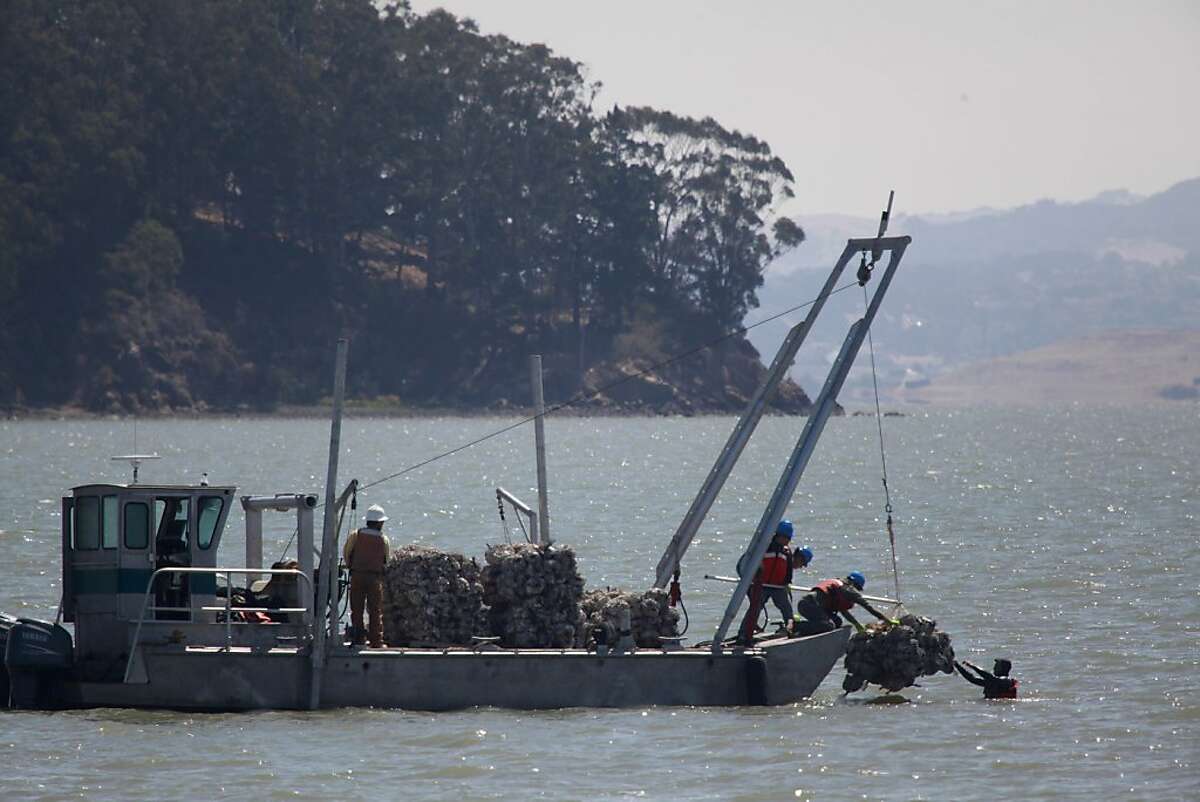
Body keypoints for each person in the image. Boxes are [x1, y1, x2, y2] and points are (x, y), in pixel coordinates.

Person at [737, 521, 812, 644]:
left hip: (778, 587)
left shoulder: (786, 552)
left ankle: (791, 631)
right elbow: (742, 564)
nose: (787, 541)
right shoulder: (763, 547)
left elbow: (788, 573)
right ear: (778, 536)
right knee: (755, 610)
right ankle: (743, 635)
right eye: (786, 538)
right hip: (762, 585)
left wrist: (786, 585)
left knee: (787, 609)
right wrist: (749, 582)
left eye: (789, 539)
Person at [343, 504, 392, 648]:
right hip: (374, 578)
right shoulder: (383, 539)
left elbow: (347, 552)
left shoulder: (356, 535)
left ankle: (359, 639)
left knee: (356, 609)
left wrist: (351, 566)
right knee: (375, 610)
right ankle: (376, 641)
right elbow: (386, 559)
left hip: (357, 576)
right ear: (379, 523)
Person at [790, 571, 896, 636]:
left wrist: (857, 625)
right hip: (809, 605)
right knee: (828, 626)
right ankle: (795, 626)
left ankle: (801, 629)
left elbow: (843, 611)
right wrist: (888, 621)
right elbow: (869, 608)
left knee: (837, 621)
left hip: (808, 605)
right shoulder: (848, 590)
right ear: (855, 585)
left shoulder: (839, 585)